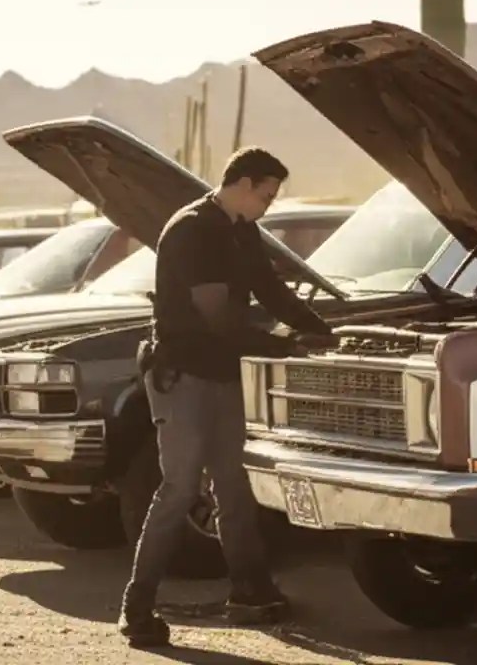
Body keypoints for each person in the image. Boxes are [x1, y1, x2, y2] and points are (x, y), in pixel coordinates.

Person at [118, 146, 336, 647]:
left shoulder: (241, 230)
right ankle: (138, 608)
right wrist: (283, 345)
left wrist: (323, 329)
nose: (269, 204)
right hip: (183, 378)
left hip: (220, 374)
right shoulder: (193, 230)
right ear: (241, 183)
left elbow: (271, 288)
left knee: (234, 486)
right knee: (178, 490)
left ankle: (251, 593)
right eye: (266, 194)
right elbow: (217, 319)